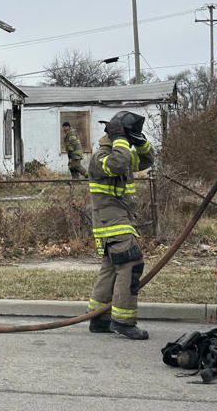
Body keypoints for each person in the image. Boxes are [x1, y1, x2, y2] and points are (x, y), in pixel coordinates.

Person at [86, 111, 154, 340]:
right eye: (128, 138)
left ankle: (98, 317)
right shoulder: (101, 157)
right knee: (131, 262)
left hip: (119, 219)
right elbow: (118, 163)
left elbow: (145, 161)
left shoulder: (120, 152)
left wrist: (140, 141)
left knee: (111, 267)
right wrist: (122, 140)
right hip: (111, 222)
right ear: (117, 136)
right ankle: (123, 321)